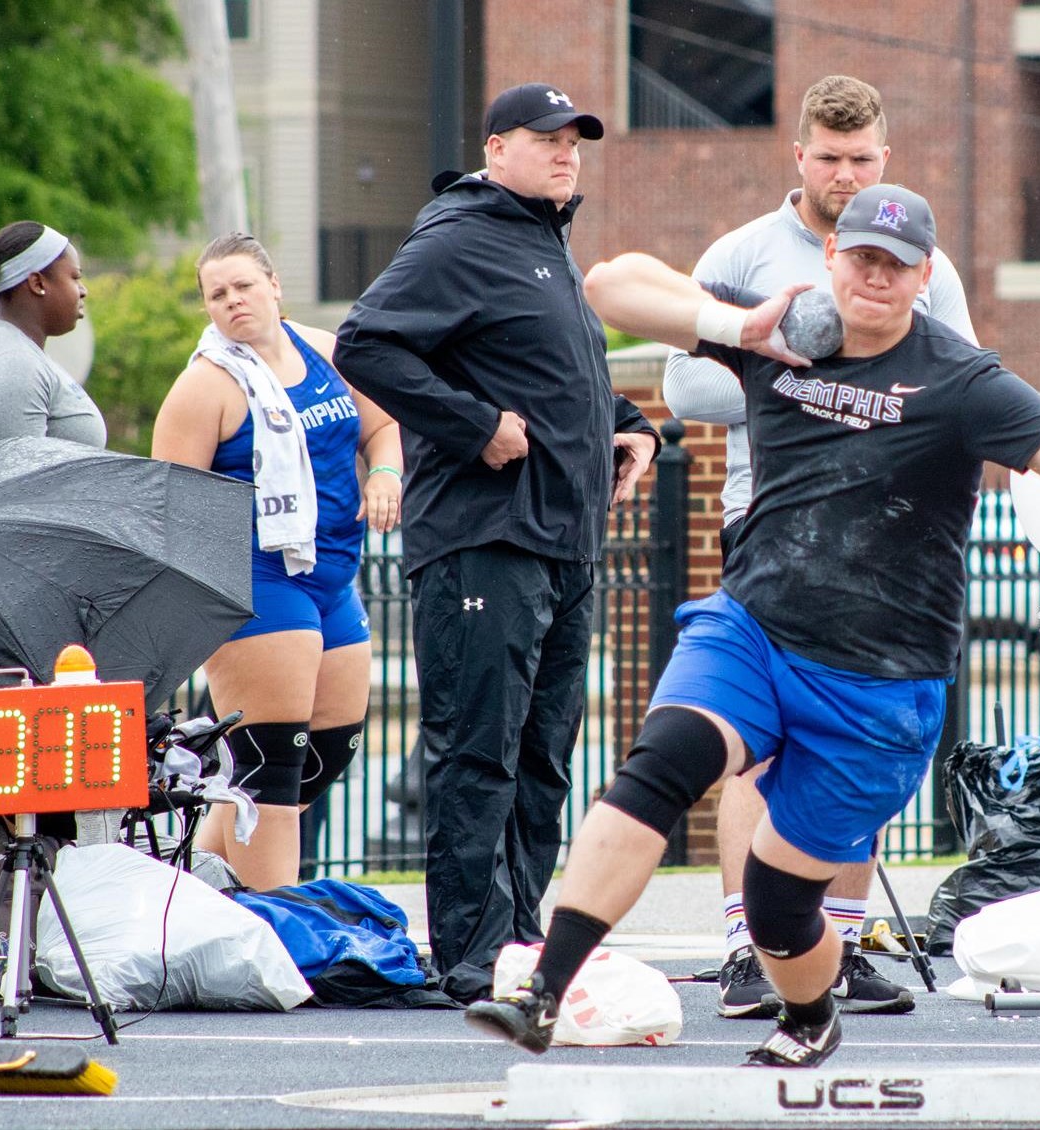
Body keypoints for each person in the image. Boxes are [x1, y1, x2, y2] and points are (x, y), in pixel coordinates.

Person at [465, 183, 1040, 1066]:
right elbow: (612, 284)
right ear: (830, 257)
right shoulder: (782, 333)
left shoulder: (961, 380)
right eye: (860, 258)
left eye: (896, 267)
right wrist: (743, 329)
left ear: (925, 276)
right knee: (658, 768)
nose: (875, 279)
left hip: (880, 688)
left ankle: (811, 1014)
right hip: (754, 627)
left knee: (781, 907)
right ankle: (546, 990)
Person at [333, 83, 661, 1003]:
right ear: (497, 148)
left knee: (544, 754)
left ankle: (519, 943)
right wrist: (476, 424)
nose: (566, 154)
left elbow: (551, 372)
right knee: (480, 749)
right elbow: (366, 345)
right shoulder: (459, 236)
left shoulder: (541, 243)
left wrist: (630, 425)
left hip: (561, 542)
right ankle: (471, 955)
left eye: (576, 142)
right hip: (485, 537)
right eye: (547, 139)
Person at [661, 74, 978, 1020]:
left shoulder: (930, 264)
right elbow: (682, 387)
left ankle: (837, 944)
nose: (845, 174)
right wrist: (798, 370)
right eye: (829, 159)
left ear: (886, 159)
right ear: (798, 156)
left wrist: (886, 396)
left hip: (885, 540)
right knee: (761, 756)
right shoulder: (742, 254)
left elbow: (961, 384)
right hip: (771, 523)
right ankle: (747, 951)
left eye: (864, 159)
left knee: (858, 747)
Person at [151, 233, 403, 890]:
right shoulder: (205, 387)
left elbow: (383, 426)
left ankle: (191, 882)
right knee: (269, 773)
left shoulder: (324, 350)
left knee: (327, 750)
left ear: (274, 286)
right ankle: (282, 928)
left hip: (333, 574)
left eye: (243, 286)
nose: (232, 301)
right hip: (260, 581)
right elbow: (172, 509)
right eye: (216, 294)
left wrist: (382, 474)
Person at [0, 221, 104, 453]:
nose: (83, 290)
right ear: (37, 283)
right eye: (74, 277)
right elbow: (20, 483)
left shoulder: (20, 352)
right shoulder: (12, 363)